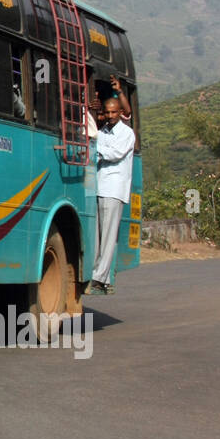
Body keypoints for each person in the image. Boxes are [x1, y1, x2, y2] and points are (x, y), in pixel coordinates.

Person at [85, 96, 135, 295]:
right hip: (99, 186)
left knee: (107, 236)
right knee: (96, 235)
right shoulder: (103, 132)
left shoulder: (127, 133)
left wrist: (97, 147)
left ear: (120, 112)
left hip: (114, 189)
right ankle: (97, 273)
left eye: (114, 112)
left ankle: (100, 276)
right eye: (108, 112)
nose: (111, 116)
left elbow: (115, 153)